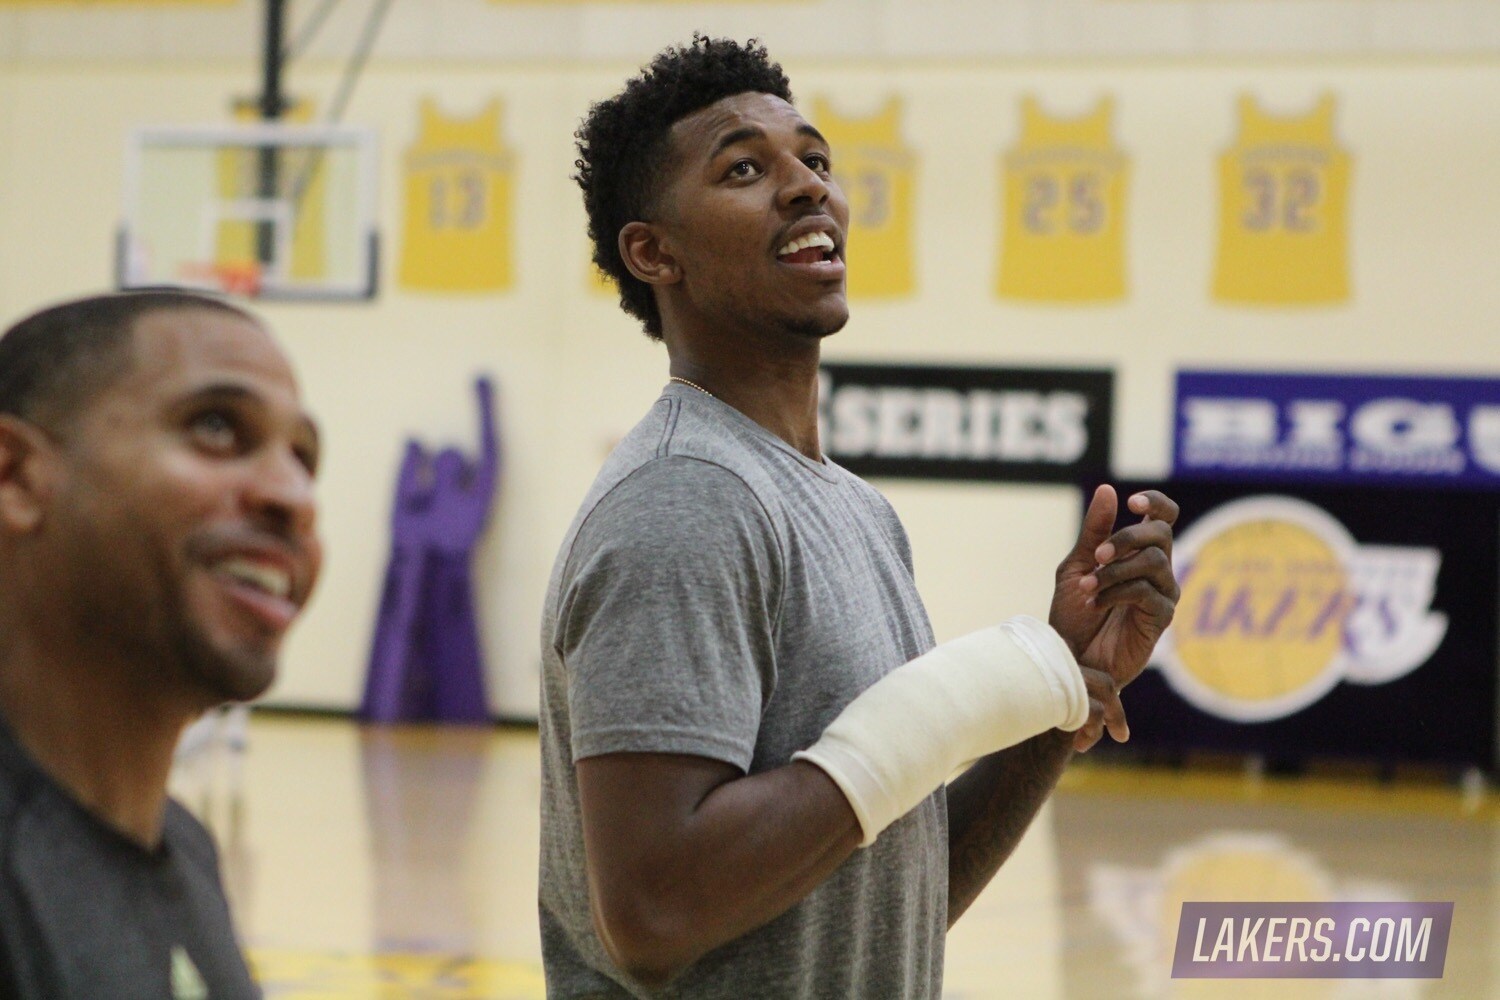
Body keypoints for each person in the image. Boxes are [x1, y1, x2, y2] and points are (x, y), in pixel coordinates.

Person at [540, 36, 1180, 998]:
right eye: (745, 168)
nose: (807, 188)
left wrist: (1060, 687)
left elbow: (892, 893)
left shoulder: (855, 511)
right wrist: (950, 704)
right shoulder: (682, 500)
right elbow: (654, 913)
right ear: (652, 251)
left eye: (817, 161)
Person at [0, 290, 322, 998]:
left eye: (302, 456)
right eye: (216, 427)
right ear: (15, 476)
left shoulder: (183, 847)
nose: (293, 494)